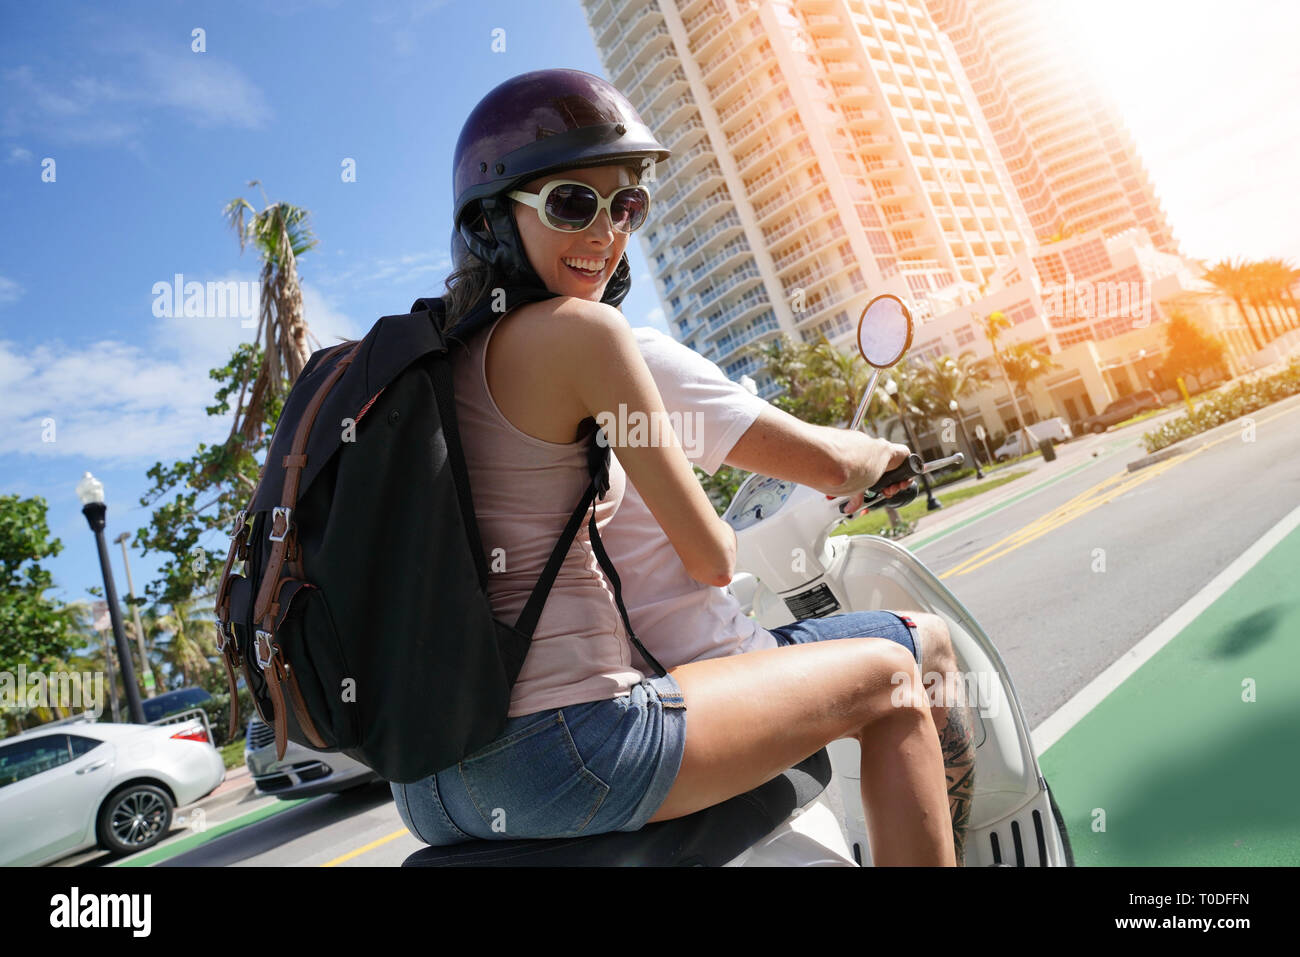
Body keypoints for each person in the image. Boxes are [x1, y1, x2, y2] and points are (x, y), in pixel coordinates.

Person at [390, 68, 954, 865]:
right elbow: (709, 555)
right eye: (571, 203)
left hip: (425, 785)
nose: (607, 233)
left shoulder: (429, 369)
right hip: (565, 753)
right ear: (492, 221)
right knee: (898, 677)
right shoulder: (588, 337)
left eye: (626, 205)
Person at [598, 326, 977, 864]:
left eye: (622, 229)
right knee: (924, 649)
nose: (607, 237)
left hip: (584, 698)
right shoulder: (625, 354)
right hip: (692, 677)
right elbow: (828, 465)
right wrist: (880, 454)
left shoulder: (491, 391)